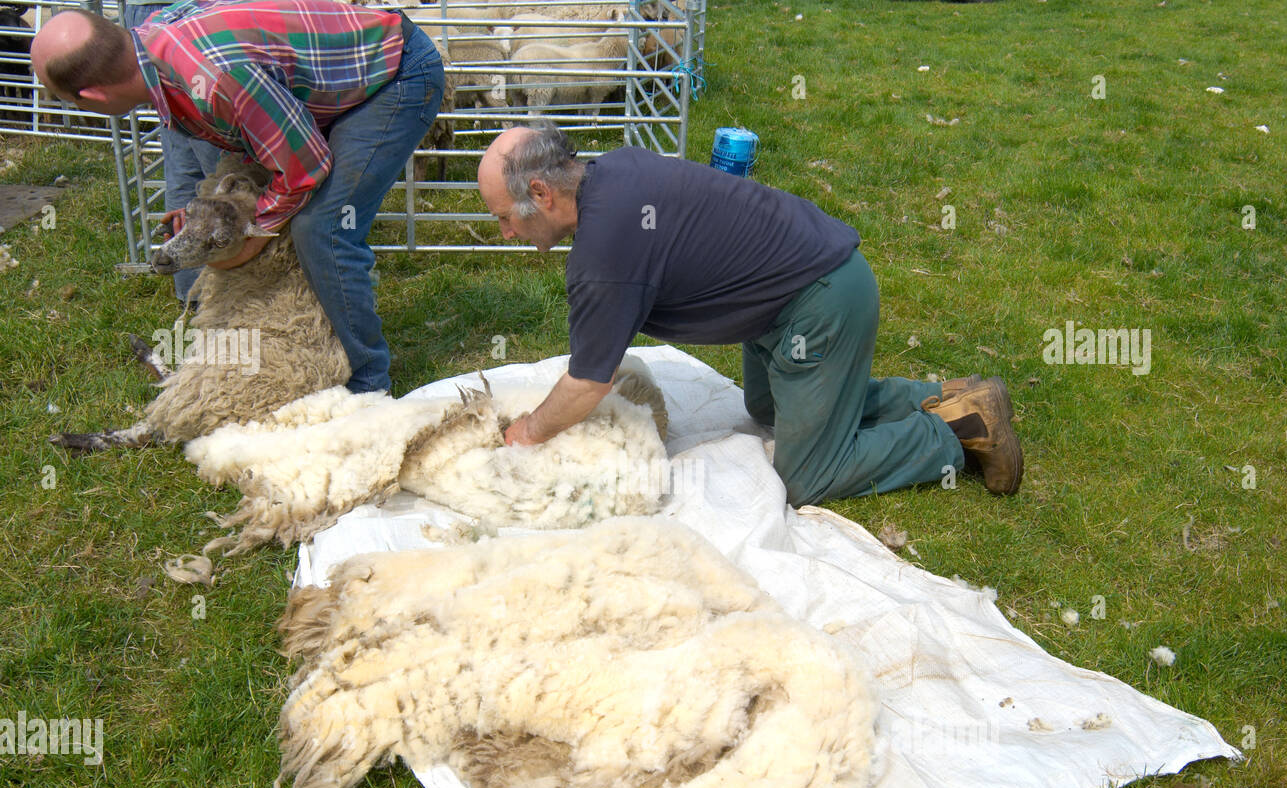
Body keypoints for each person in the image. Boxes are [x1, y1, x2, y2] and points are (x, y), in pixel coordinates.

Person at [477, 123, 1023, 503]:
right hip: (802, 287)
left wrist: (525, 432)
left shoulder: (604, 254)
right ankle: (943, 392)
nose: (506, 233)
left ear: (542, 193)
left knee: (809, 475)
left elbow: (586, 382)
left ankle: (956, 429)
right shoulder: (615, 170)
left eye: (505, 217)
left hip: (821, 301)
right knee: (766, 408)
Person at [30, 0, 445, 394]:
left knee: (322, 227)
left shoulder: (214, 80)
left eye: (70, 101)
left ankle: (368, 385)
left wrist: (247, 238)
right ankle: (304, 347)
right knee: (279, 207)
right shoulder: (154, 49)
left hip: (395, 74)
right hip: (328, 83)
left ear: (93, 97)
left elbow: (306, 169)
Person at [120, 1, 226, 307]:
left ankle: (192, 295)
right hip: (195, 20)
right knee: (226, 168)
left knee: (184, 159)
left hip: (150, 15)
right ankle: (237, 287)